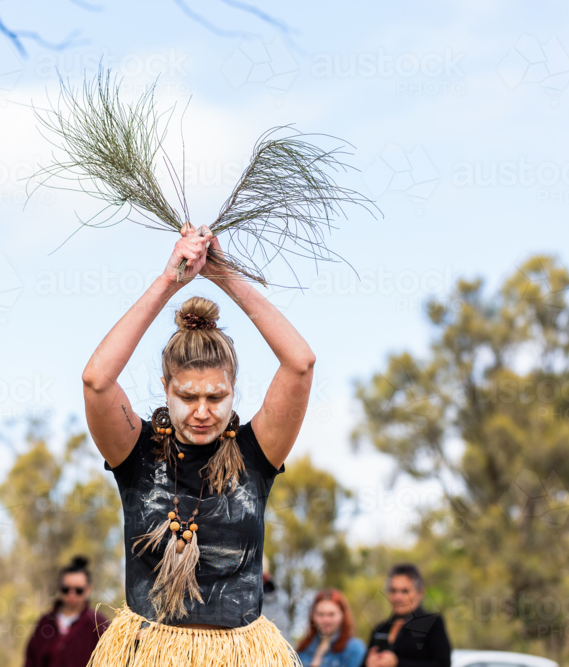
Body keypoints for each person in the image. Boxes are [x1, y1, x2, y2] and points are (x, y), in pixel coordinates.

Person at [81, 223, 315, 666]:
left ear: (233, 390)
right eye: (187, 397)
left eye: (216, 397)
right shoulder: (137, 451)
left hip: (240, 654)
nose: (202, 411)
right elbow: (96, 382)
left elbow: (300, 365)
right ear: (166, 387)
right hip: (150, 652)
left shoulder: (257, 452)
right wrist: (170, 280)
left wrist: (224, 275)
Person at [23, 556, 110, 667]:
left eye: (78, 590)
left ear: (88, 589)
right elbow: (31, 659)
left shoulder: (99, 624)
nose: (71, 594)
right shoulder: (45, 621)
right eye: (66, 589)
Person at [363, 564, 451, 667]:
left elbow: (443, 664)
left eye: (405, 591)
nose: (397, 597)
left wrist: (397, 663)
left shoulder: (432, 624)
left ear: (420, 593)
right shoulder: (381, 628)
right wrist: (369, 663)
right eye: (393, 591)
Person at [297, 589, 366, 667]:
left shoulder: (354, 649)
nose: (326, 620)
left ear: (343, 615)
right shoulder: (303, 649)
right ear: (313, 616)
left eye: (331, 614)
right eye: (321, 614)